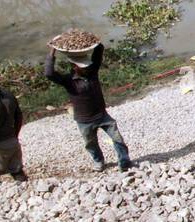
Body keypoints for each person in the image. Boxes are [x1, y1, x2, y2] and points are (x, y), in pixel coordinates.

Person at [44, 42, 133, 173]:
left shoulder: (93, 71)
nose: (87, 68)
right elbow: (49, 74)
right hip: (84, 120)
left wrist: (94, 41)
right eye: (83, 67)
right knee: (90, 144)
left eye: (87, 66)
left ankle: (124, 161)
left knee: (117, 138)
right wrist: (52, 52)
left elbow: (98, 52)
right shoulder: (69, 81)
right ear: (75, 67)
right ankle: (98, 161)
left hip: (102, 115)